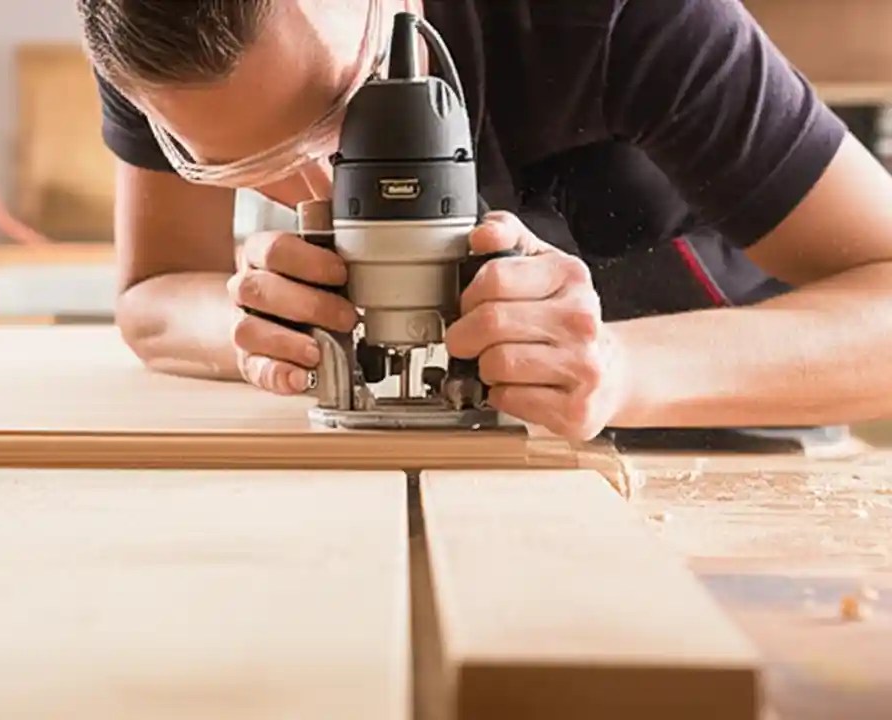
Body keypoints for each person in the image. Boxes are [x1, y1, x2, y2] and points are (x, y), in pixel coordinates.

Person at [75, 0, 892, 441]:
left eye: (341, 107)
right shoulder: (162, 48)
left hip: (718, 426)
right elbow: (151, 295)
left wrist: (621, 369)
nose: (320, 184)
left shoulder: (619, 15)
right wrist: (260, 322)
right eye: (240, 167)